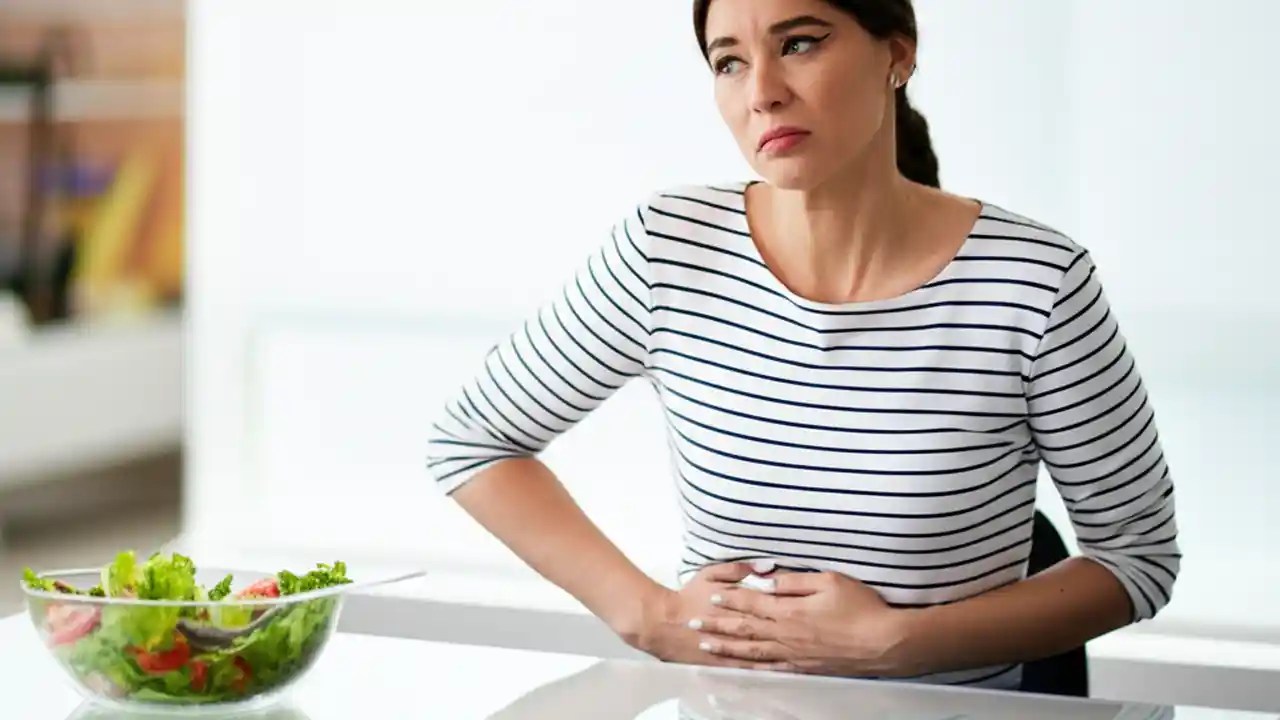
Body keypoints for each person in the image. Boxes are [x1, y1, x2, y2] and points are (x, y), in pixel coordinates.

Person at [426, 0, 1179, 691]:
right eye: (729, 61)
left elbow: (1136, 560)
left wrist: (901, 642)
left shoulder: (1034, 283)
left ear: (898, 53)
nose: (763, 91)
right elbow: (473, 441)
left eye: (801, 43)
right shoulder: (670, 248)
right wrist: (646, 617)